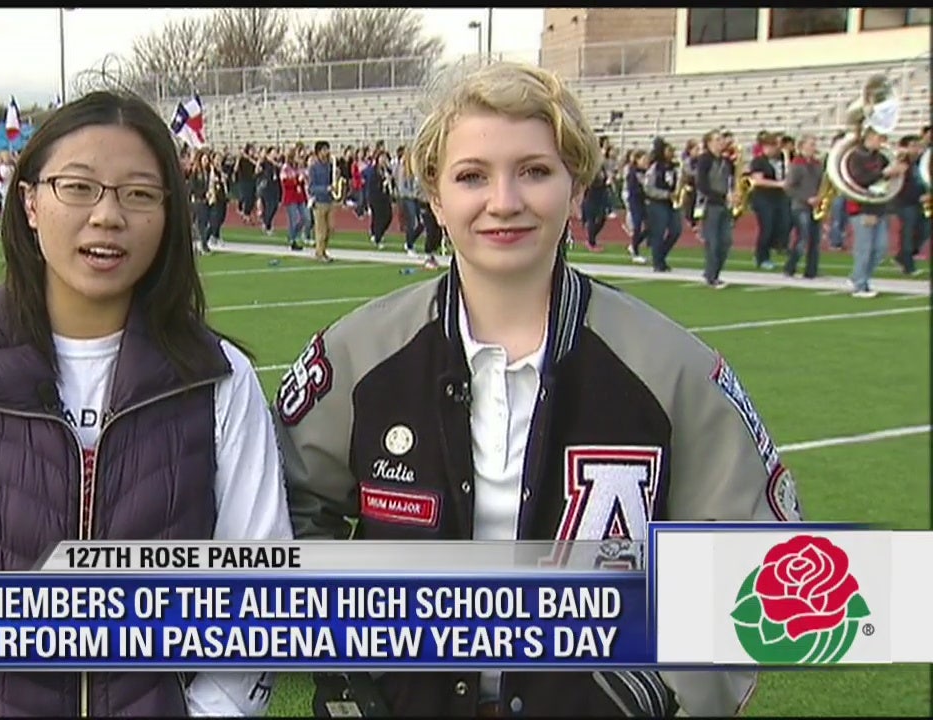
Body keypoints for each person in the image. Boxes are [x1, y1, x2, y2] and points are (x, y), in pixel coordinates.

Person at [273, 61, 801, 717]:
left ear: (576, 187)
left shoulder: (672, 369)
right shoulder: (358, 354)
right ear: (434, 197)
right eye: (472, 176)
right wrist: (358, 654)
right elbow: (285, 515)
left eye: (535, 171)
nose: (504, 201)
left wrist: (659, 692)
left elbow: (761, 557)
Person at [0, 89, 290, 717]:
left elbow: (259, 598)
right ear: (29, 202)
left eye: (139, 193)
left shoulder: (221, 381)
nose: (108, 216)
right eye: (78, 187)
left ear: (168, 215)